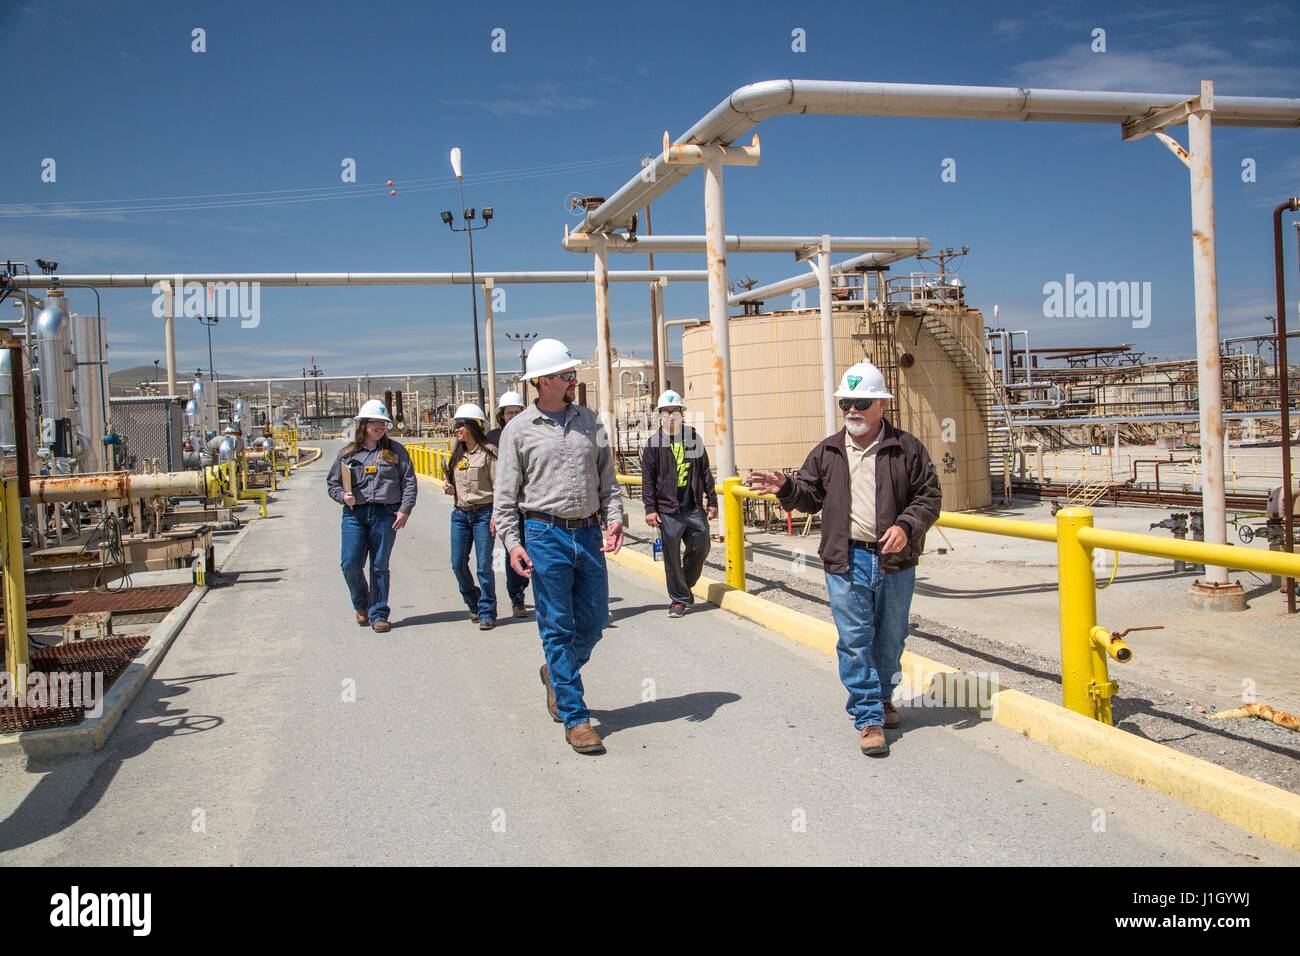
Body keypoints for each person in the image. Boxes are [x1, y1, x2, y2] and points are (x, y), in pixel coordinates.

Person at [747, 362, 941, 758]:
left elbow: (930, 496)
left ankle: (884, 697)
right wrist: (786, 487)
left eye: (861, 402)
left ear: (881, 405)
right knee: (855, 641)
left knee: (891, 637)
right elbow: (809, 496)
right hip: (845, 558)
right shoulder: (828, 451)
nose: (852, 409)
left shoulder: (907, 449)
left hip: (895, 560)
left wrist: (906, 525)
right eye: (846, 402)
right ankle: (868, 716)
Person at [494, 339, 623, 756]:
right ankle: (576, 716)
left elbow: (609, 479)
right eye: (567, 375)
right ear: (544, 381)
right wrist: (512, 543)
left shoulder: (591, 423)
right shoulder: (518, 430)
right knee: (557, 626)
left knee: (595, 620)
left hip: (587, 534)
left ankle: (555, 673)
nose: (574, 380)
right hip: (544, 534)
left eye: (572, 374)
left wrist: (616, 517)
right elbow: (505, 496)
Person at [326, 399, 417, 633]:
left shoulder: (396, 452)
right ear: (364, 424)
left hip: (386, 513)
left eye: (383, 423)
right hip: (355, 514)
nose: (379, 427)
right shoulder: (347, 453)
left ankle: (378, 614)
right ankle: (361, 604)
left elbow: (409, 482)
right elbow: (332, 483)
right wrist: (342, 497)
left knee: (379, 565)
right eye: (375, 422)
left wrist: (404, 510)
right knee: (349, 564)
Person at [640, 389, 718, 617]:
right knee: (672, 556)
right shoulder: (653, 444)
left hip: (693, 506)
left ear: (683, 414)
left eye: (675, 411)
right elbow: (648, 479)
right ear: (660, 416)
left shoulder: (693, 439)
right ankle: (679, 599)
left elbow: (705, 472)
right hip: (668, 510)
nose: (671, 416)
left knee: (701, 547)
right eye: (666, 412)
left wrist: (712, 501)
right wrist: (650, 508)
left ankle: (684, 584)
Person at [443, 403, 499, 630]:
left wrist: (497, 515)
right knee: (457, 564)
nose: (456, 430)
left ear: (473, 427)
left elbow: (498, 486)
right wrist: (450, 488)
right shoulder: (458, 454)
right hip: (460, 514)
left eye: (460, 425)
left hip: (484, 514)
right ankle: (473, 601)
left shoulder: (489, 452)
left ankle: (487, 611)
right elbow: (456, 482)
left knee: (484, 565)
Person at [486, 391, 530, 618]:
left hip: (531, 503)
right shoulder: (492, 438)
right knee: (511, 548)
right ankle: (517, 597)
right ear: (501, 415)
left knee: (531, 549)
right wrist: (496, 509)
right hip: (507, 503)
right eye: (508, 412)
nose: (512, 415)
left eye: (516, 411)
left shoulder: (532, 433)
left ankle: (523, 587)